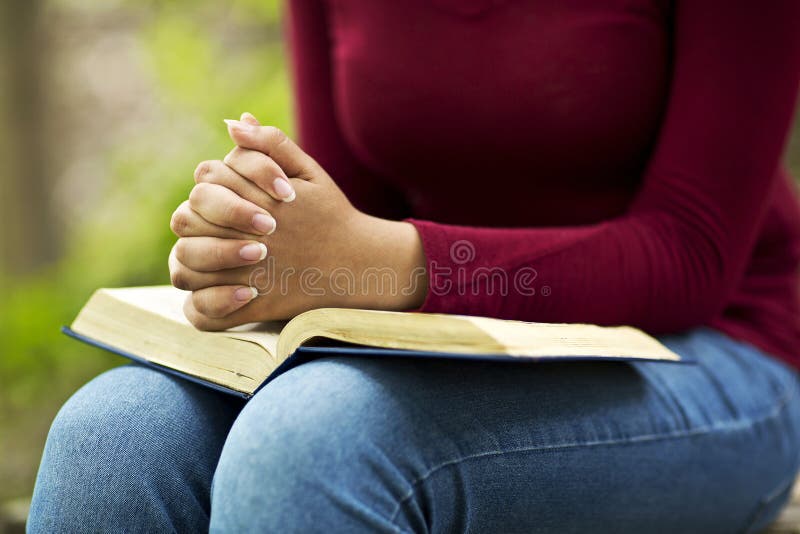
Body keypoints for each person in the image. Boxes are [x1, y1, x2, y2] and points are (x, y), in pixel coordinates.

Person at [28, 1, 800, 532]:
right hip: (442, 349)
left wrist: (400, 262)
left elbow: (691, 255)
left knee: (314, 443)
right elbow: (348, 213)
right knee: (112, 434)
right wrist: (256, 252)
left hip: (712, 351)